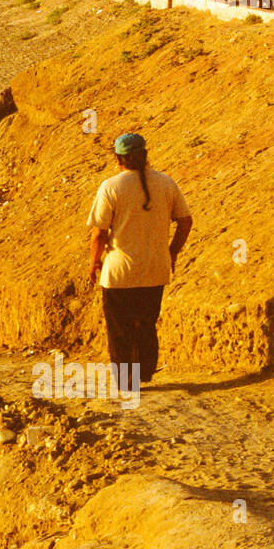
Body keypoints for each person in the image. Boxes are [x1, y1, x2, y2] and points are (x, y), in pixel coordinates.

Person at [86, 133, 193, 386]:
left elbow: (99, 233)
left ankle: (126, 381)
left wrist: (94, 262)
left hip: (119, 272)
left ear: (118, 158)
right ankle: (144, 373)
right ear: (145, 154)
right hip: (155, 268)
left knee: (120, 328)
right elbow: (186, 221)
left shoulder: (110, 187)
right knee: (146, 322)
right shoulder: (166, 183)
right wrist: (172, 252)